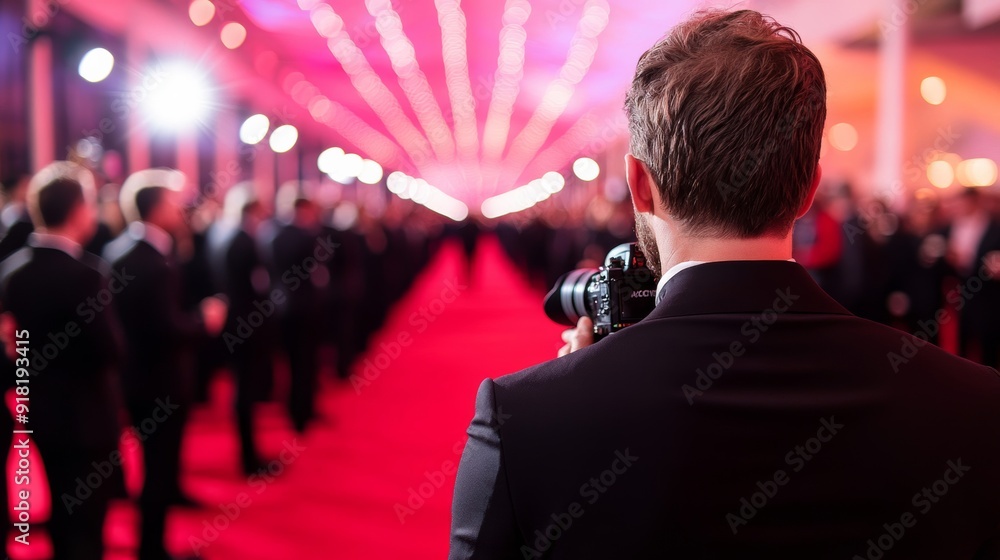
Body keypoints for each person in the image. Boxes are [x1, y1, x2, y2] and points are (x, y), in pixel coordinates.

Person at [449, 10, 1000, 559]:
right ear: (809, 189)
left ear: (639, 184)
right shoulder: (974, 405)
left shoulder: (524, 418)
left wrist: (581, 387)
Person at [0, 162, 124, 560]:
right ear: (77, 210)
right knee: (87, 524)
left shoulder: (12, 272)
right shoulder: (86, 275)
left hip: (40, 411)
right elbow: (110, 350)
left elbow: (13, 350)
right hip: (88, 417)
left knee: (62, 515)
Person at [102, 168, 226, 560]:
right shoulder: (152, 260)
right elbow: (164, 327)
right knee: (157, 465)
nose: (181, 210)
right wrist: (204, 321)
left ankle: (167, 505)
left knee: (158, 465)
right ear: (155, 208)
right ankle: (152, 548)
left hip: (135, 377)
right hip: (159, 381)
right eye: (174, 204)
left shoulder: (120, 250)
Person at [208, 183, 269, 473]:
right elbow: (258, 285)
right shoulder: (244, 239)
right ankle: (249, 459)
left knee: (240, 387)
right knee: (245, 390)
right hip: (247, 323)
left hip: (231, 320)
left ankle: (249, 454)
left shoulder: (220, 233)